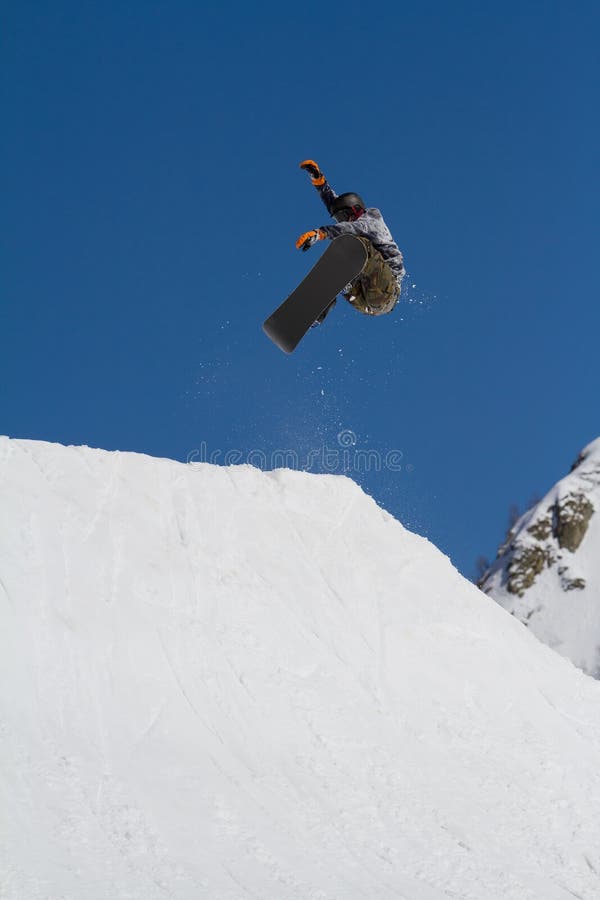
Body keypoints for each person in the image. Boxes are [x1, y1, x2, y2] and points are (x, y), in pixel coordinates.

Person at [296, 160, 405, 324]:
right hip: (367, 303)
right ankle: (316, 314)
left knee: (357, 244)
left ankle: (343, 287)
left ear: (355, 210)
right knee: (336, 270)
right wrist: (320, 183)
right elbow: (336, 204)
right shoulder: (354, 225)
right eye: (338, 219)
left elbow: (352, 227)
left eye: (343, 217)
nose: (342, 221)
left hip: (386, 288)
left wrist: (321, 233)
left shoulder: (371, 220)